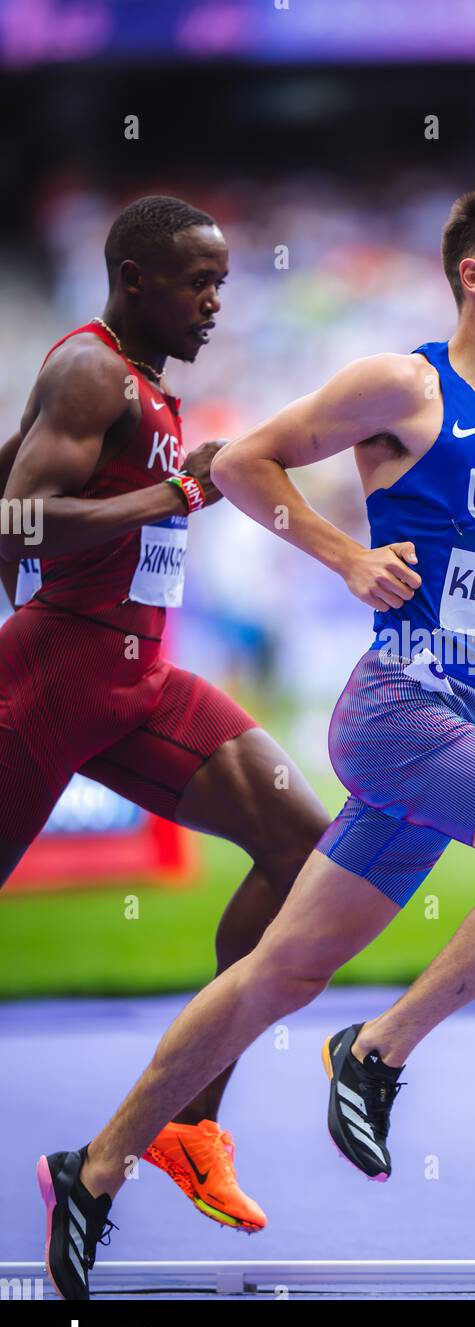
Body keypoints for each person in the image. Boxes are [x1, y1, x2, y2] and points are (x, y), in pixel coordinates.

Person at [36, 182, 475, 1299]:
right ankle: (377, 1049)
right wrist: (343, 557)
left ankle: (95, 1164)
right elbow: (248, 462)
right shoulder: (403, 385)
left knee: (281, 971)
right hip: (398, 714)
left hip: (467, 714)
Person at [1, 194, 416, 1238]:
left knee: (304, 851)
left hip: (141, 684)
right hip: (50, 681)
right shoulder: (90, 366)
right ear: (134, 277)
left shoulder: (139, 387)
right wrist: (174, 499)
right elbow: (20, 521)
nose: (216, 302)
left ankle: (189, 1121)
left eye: (223, 281)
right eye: (198, 280)